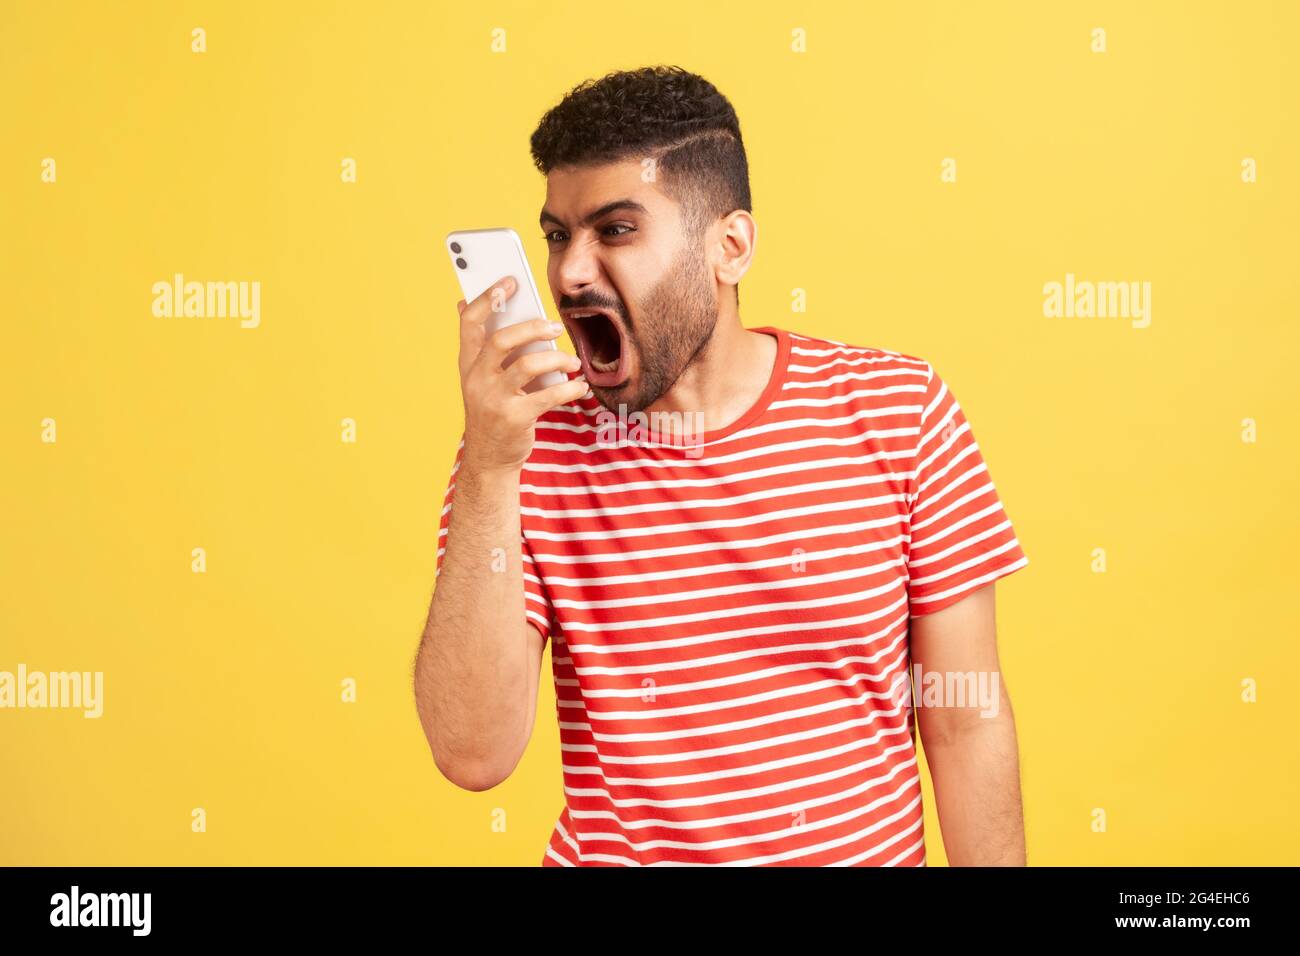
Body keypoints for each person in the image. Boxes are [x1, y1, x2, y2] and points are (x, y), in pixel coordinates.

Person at [415, 65, 1029, 866]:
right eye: (559, 235)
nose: (568, 273)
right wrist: (492, 468)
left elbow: (965, 719)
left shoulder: (898, 411)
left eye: (616, 229)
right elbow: (472, 755)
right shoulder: (527, 449)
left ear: (729, 247)